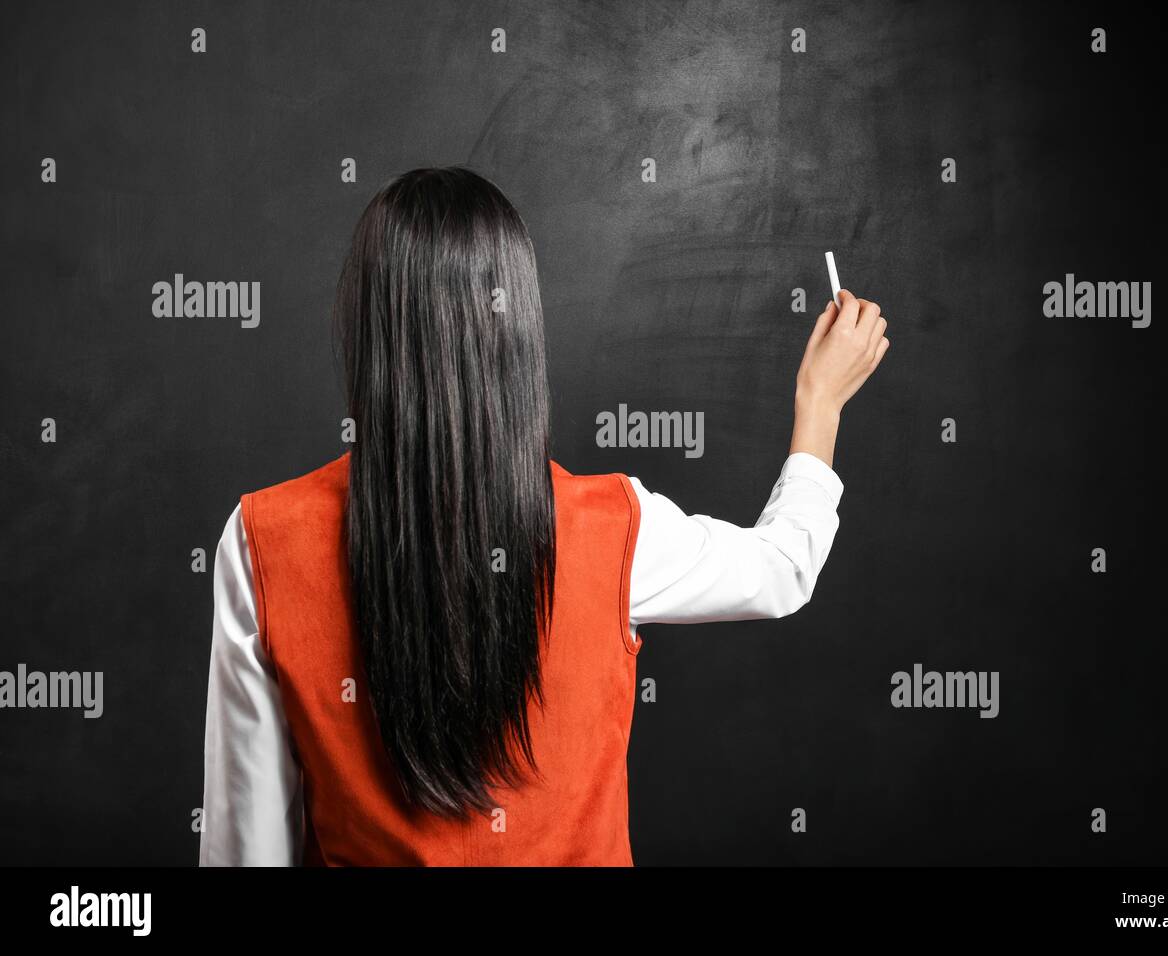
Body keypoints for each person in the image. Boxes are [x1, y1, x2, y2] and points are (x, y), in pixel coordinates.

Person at [199, 166, 889, 865]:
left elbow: (243, 849)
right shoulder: (618, 529)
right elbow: (782, 569)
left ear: (364, 323)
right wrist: (821, 403)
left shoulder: (262, 541)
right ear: (520, 326)